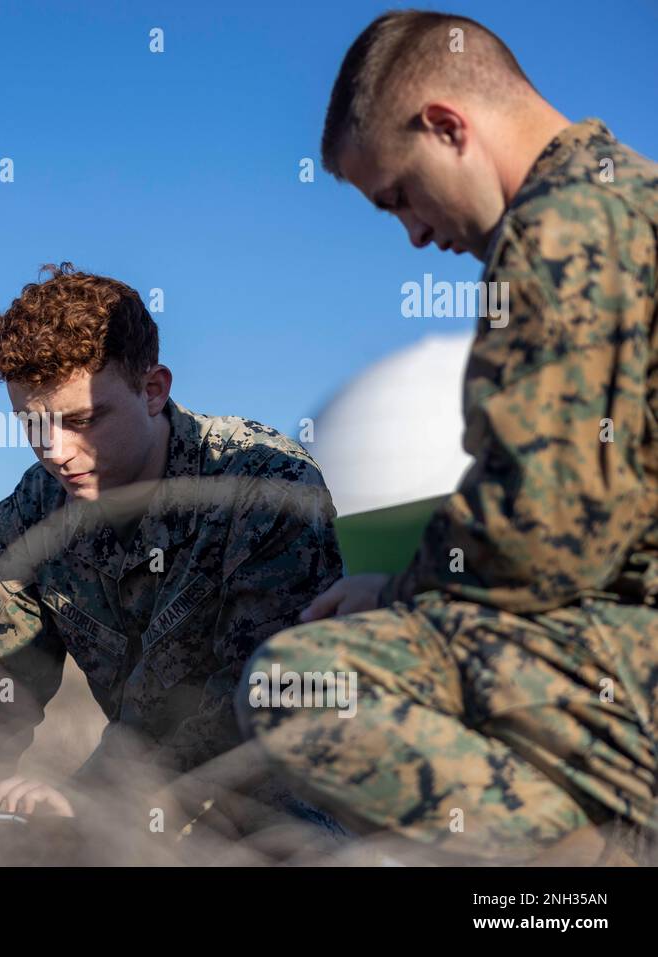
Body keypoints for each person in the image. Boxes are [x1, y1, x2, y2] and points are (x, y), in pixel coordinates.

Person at [239, 10, 658, 864]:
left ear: (446, 125)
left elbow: (544, 539)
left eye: (399, 197)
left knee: (301, 677)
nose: (416, 236)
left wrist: (400, 588)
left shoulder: (561, 229)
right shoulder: (633, 194)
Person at [0, 263, 344, 843]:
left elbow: (254, 698)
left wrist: (97, 797)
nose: (54, 451)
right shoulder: (31, 516)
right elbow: (1, 673)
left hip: (281, 809)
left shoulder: (260, 488)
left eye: (82, 420)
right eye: (32, 424)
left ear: (153, 390)